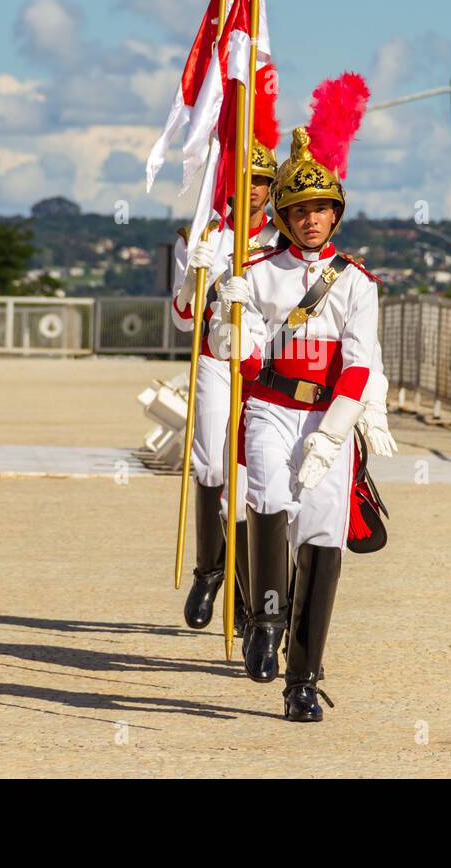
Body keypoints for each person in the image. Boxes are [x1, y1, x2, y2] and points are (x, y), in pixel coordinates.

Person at [210, 73, 388, 720]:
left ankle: (304, 677)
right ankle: (264, 617)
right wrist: (223, 313)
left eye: (320, 210)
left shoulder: (357, 283)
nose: (310, 220)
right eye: (298, 211)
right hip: (270, 404)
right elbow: (244, 356)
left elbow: (360, 368)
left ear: (334, 214)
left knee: (320, 537)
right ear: (282, 217)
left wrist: (334, 437)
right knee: (265, 497)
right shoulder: (255, 274)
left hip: (327, 417)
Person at [170, 140, 281, 635]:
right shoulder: (203, 236)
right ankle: (208, 570)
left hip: (265, 371)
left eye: (261, 180)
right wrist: (195, 281)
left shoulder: (284, 242)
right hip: (216, 361)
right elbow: (180, 321)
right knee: (212, 466)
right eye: (246, 177)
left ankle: (250, 594)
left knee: (252, 484)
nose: (253, 188)